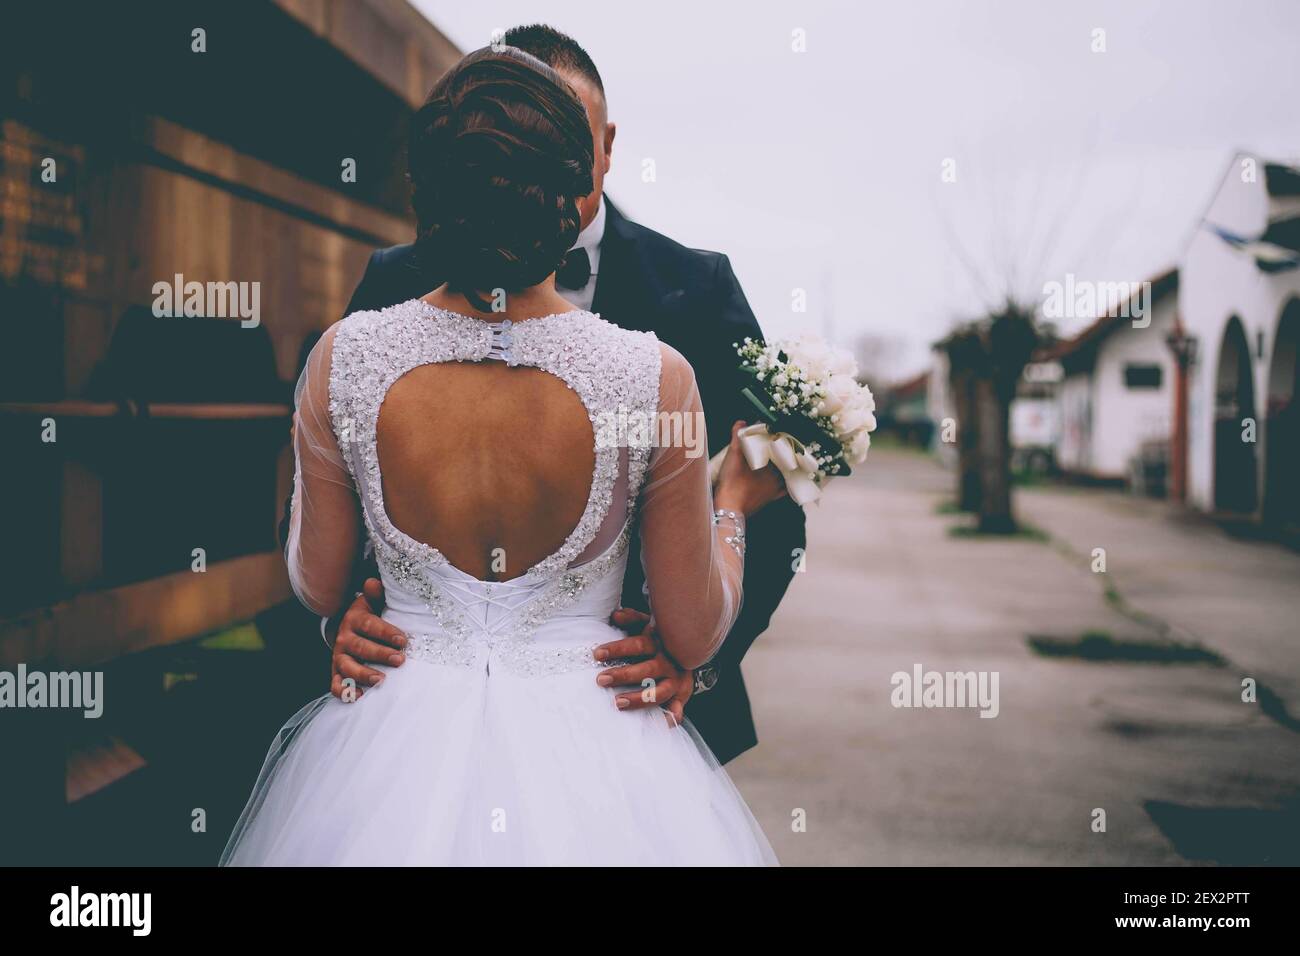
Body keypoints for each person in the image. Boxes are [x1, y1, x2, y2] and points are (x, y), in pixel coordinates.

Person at [223, 45, 780, 865]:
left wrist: (345, 614)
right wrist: (732, 500)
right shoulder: (653, 378)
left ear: (432, 192)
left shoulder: (345, 360)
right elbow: (692, 633)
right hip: (603, 750)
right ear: (571, 189)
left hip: (385, 748)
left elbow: (316, 581)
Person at [315, 24, 806, 764]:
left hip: (641, 721)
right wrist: (340, 621)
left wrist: (694, 663)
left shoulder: (698, 291)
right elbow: (327, 482)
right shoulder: (392, 281)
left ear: (603, 144)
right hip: (412, 714)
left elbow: (778, 503)